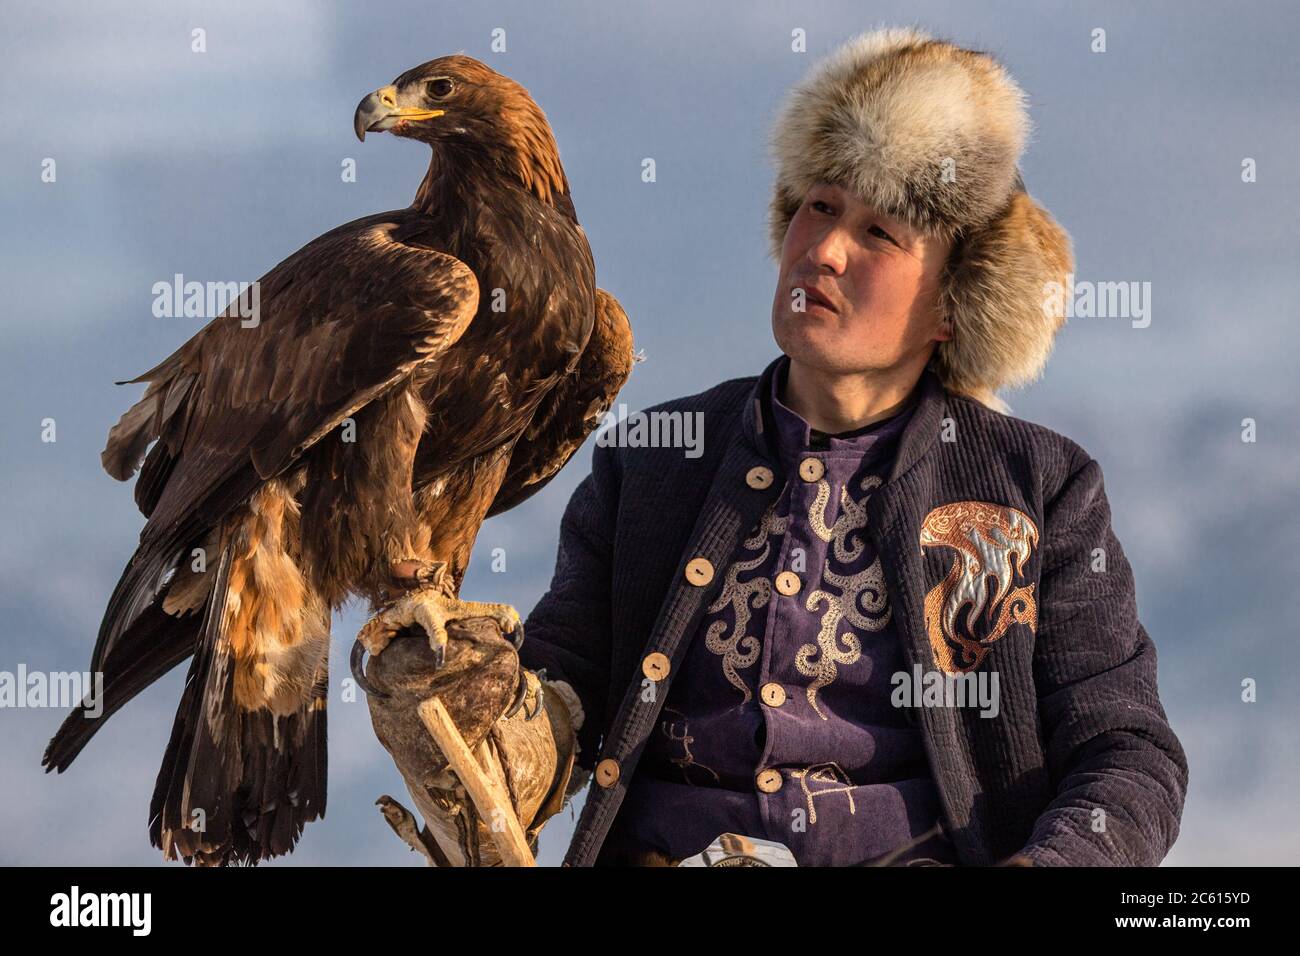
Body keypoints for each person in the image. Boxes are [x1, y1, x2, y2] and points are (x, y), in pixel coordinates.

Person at [417, 27, 1188, 867]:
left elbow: (1127, 754)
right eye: (818, 207)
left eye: (879, 234)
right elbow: (563, 690)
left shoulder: (1041, 489)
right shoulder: (650, 462)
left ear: (952, 306)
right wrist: (492, 724)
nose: (823, 250)